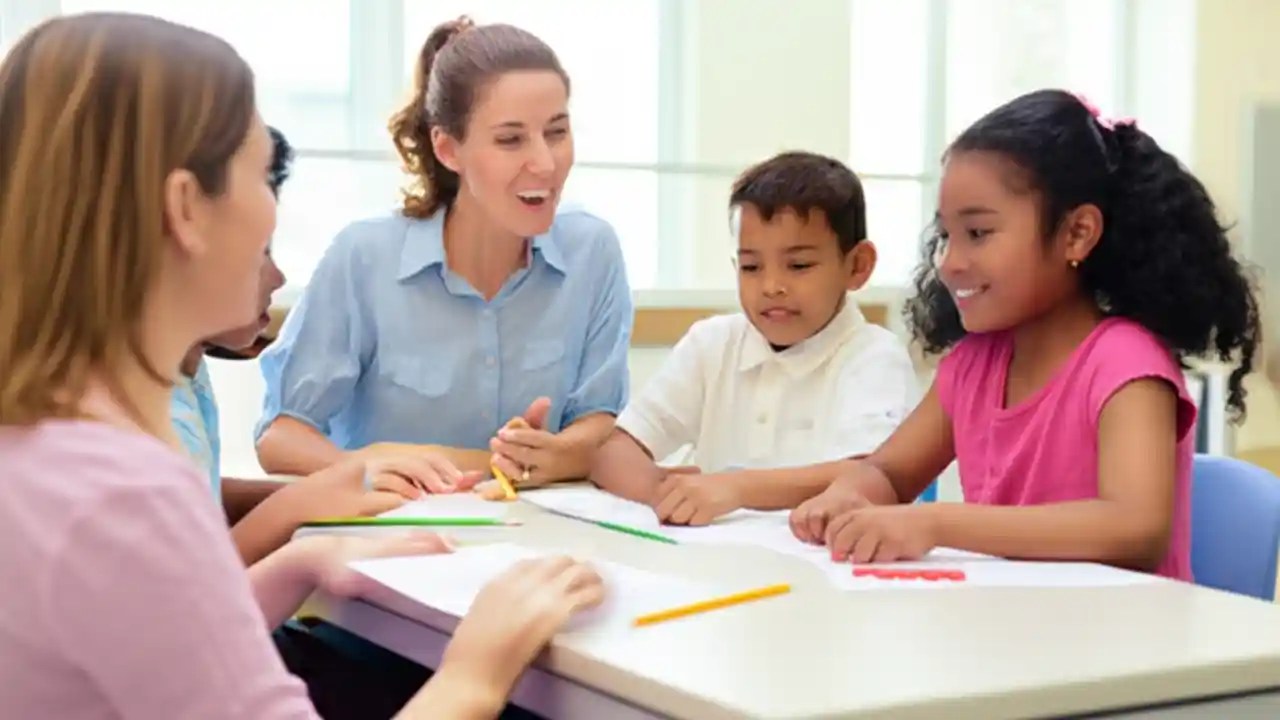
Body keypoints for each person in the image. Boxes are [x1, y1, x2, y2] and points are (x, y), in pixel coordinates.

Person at [0, 12, 603, 719]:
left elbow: (165, 648)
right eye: (260, 175)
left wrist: (300, 561)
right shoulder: (125, 495)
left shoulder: (49, 444)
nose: (273, 226)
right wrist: (478, 667)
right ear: (186, 208)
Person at [790, 89, 1261, 580]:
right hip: (1018, 634)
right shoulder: (972, 364)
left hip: (1123, 643)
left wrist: (937, 521)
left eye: (978, 234)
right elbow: (890, 472)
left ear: (1077, 234)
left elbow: (1135, 528)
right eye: (947, 236)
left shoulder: (1125, 364)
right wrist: (854, 491)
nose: (949, 263)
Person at [255, 16, 633, 490]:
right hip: (391, 540)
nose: (545, 162)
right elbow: (280, 436)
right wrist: (367, 467)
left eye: (556, 132)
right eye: (510, 139)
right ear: (448, 148)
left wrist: (558, 453)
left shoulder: (593, 253)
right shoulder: (364, 259)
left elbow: (599, 421)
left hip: (536, 533)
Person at [170, 126, 466, 565]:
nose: (278, 278)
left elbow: (198, 500)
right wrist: (296, 509)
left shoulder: (185, 373)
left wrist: (331, 489)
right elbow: (193, 590)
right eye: (260, 252)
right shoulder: (144, 403)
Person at [590, 151, 917, 525]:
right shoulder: (712, 343)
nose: (772, 286)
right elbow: (614, 451)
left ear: (857, 266)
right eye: (750, 267)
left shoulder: (874, 356)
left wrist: (736, 488)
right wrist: (667, 494)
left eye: (799, 265)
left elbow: (871, 476)